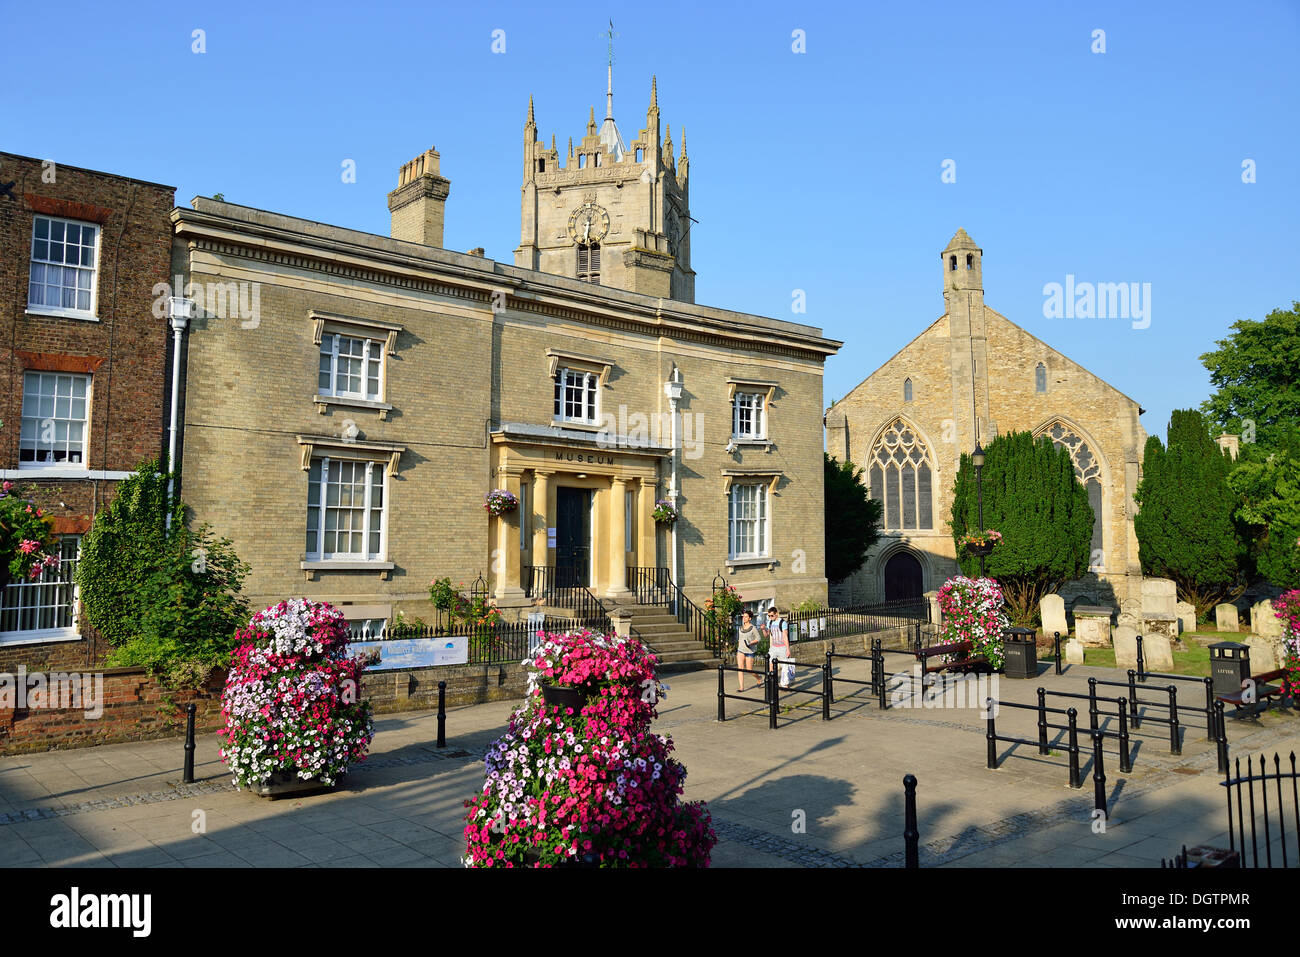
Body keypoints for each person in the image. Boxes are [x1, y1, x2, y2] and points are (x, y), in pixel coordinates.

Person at [764, 605, 793, 689]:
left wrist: (788, 649)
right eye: (769, 616)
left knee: (785, 666)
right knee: (770, 664)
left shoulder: (782, 623)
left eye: (772, 615)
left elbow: (785, 636)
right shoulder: (769, 622)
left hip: (782, 647)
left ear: (776, 614)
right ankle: (773, 681)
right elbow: (766, 635)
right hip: (773, 647)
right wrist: (763, 629)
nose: (770, 617)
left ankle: (784, 684)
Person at [736, 610, 761, 692]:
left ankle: (758, 677)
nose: (744, 618)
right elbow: (739, 639)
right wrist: (739, 646)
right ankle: (741, 687)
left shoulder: (753, 628)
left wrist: (752, 642)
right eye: (743, 616)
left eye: (746, 617)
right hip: (740, 650)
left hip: (750, 651)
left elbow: (758, 638)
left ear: (750, 618)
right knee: (740, 668)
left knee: (749, 669)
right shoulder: (740, 628)